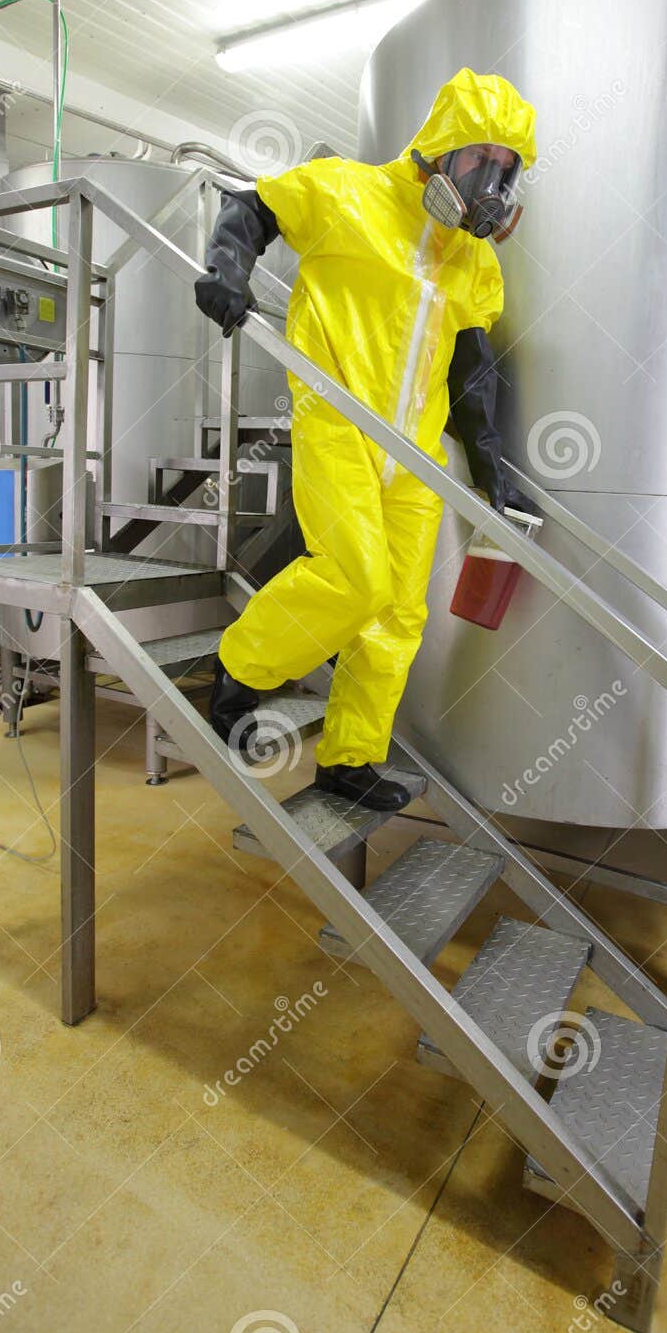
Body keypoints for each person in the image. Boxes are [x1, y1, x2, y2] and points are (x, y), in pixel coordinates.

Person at [194, 67, 537, 813]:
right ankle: (242, 672)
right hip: (339, 420)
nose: (491, 184)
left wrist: (492, 474)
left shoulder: (474, 260)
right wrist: (226, 268)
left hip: (415, 454)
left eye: (506, 171)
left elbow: (472, 376)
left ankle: (349, 757)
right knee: (354, 579)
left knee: (397, 615)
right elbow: (250, 209)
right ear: (440, 148)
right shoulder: (343, 190)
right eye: (481, 160)